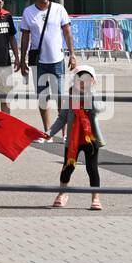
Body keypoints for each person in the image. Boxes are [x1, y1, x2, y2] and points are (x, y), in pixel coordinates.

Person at [19, 0, 76, 133]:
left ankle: (64, 133)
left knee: (59, 98)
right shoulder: (28, 12)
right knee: (43, 98)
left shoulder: (58, 9)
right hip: (38, 62)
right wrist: (22, 59)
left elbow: (67, 33)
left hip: (57, 60)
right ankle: (48, 131)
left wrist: (72, 54)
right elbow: (25, 37)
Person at [47, 65, 105, 210]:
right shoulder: (70, 98)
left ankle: (95, 197)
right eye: (80, 78)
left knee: (92, 168)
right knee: (68, 167)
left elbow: (99, 108)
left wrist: (88, 94)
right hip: (73, 139)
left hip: (90, 139)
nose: (82, 82)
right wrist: (49, 133)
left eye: (86, 78)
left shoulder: (95, 96)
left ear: (93, 81)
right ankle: (62, 194)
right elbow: (62, 118)